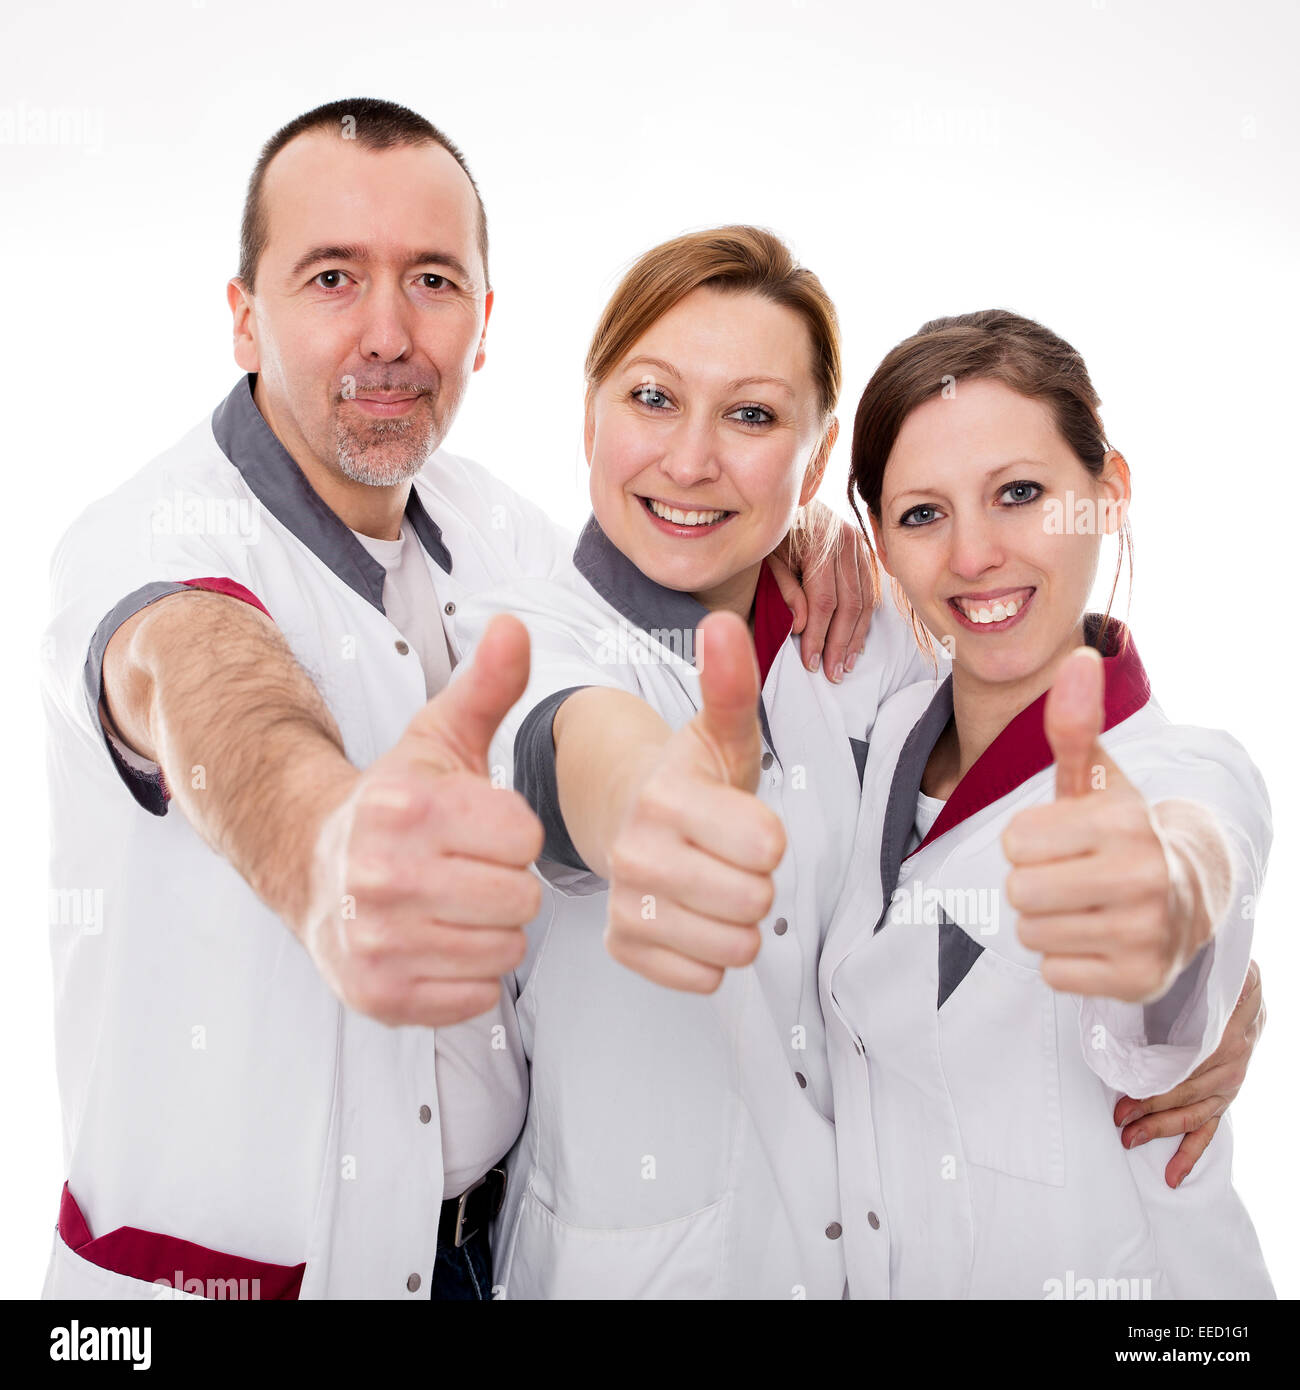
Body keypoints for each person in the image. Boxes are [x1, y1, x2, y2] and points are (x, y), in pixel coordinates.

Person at [39, 99, 872, 1301]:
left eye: (431, 279)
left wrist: (803, 525)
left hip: (481, 1256)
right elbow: (200, 675)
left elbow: (634, 595)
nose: (388, 333)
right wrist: (322, 842)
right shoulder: (149, 540)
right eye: (332, 277)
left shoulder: (494, 529)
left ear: (485, 325)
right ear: (242, 319)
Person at [456, 235, 1262, 1298]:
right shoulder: (516, 638)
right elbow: (571, 749)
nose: (692, 459)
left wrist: (1190, 945)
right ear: (588, 409)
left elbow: (1195, 850)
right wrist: (652, 806)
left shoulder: (875, 660)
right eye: (652, 398)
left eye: (751, 414)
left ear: (815, 455)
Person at [819, 309, 1272, 1298]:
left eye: (1018, 493)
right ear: (878, 542)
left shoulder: (1180, 772)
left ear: (1106, 493)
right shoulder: (882, 729)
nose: (974, 554)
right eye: (922, 513)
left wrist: (1164, 913)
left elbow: (1195, 868)